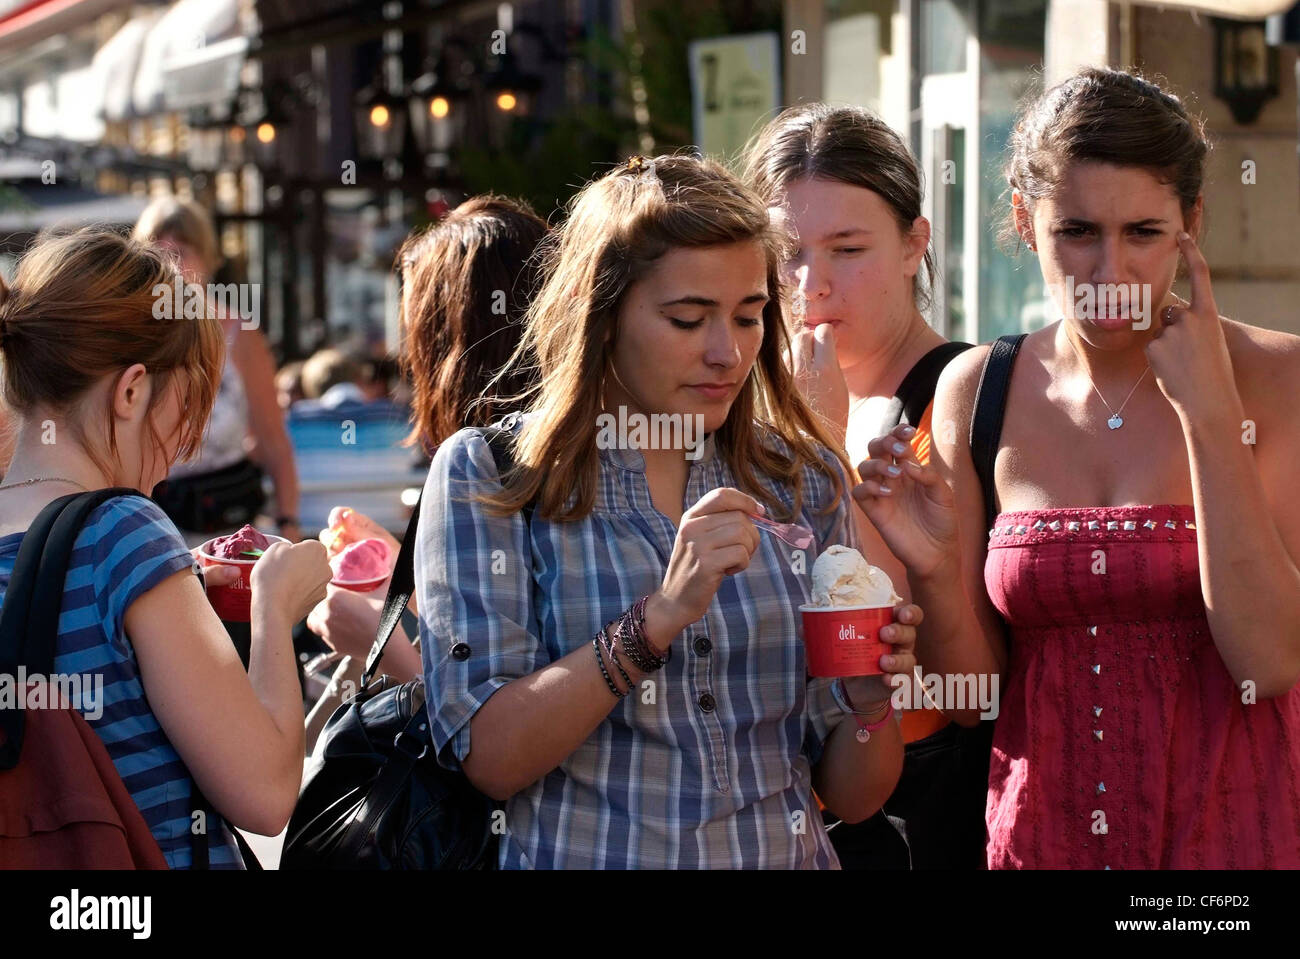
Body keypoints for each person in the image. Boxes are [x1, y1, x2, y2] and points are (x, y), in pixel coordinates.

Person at [418, 154, 924, 869]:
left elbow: (852, 795)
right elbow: (491, 756)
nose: (727, 352)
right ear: (602, 314)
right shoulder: (496, 476)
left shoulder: (800, 481)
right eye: (688, 319)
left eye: (750, 316)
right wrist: (656, 618)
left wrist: (873, 704)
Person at [855, 68, 1300, 868]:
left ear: (1191, 224)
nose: (1109, 273)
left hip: (1239, 848)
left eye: (1143, 232)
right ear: (1027, 224)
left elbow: (1268, 660)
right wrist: (928, 568)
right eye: (1078, 232)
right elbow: (975, 698)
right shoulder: (976, 389)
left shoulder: (1279, 378)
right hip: (1041, 842)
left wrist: (1207, 416)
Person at [0, 228, 330, 867]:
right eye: (186, 408)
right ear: (130, 391)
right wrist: (274, 605)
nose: (182, 449)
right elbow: (264, 793)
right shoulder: (122, 532)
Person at [743, 102, 990, 869]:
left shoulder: (961, 392)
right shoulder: (750, 397)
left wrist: (819, 446)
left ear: (916, 243)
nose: (812, 285)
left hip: (917, 810)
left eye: (848, 249)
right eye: (786, 254)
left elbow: (910, 647)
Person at [305, 195, 549, 686]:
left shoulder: (485, 466)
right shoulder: (576, 448)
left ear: (453, 347)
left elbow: (489, 722)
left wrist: (377, 640)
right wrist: (404, 572)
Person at [133, 198, 302, 544]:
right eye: (159, 254)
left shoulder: (239, 334)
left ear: (208, 260)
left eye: (182, 253)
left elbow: (272, 438)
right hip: (150, 528)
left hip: (225, 523)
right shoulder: (131, 338)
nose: (173, 268)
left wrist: (288, 521)